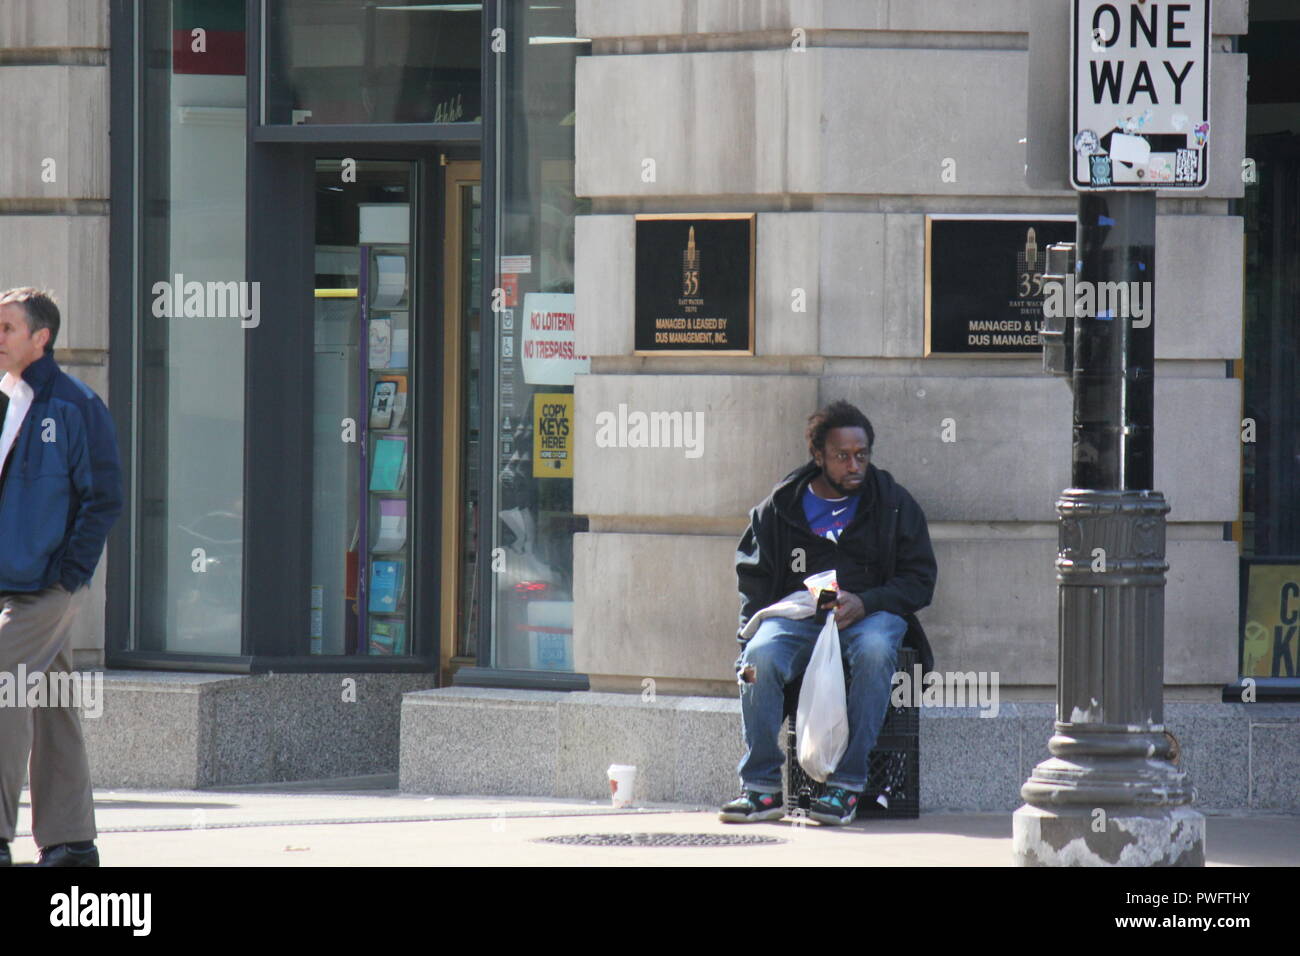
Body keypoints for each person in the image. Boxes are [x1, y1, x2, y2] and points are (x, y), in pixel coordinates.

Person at [721, 400, 936, 826]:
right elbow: (755, 582)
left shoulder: (893, 503)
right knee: (757, 661)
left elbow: (920, 579)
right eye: (842, 456)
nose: (854, 465)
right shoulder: (779, 508)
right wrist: (748, 639)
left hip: (870, 614)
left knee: (876, 650)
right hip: (799, 616)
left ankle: (847, 785)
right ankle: (761, 788)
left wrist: (868, 602)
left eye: (862, 455)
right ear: (818, 456)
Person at [0, 288, 123, 866]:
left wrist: (69, 575)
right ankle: (72, 843)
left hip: (44, 587)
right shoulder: (8, 401)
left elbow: (104, 496)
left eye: (6, 328)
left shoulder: (77, 405)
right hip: (12, 581)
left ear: (39, 337)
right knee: (52, 700)